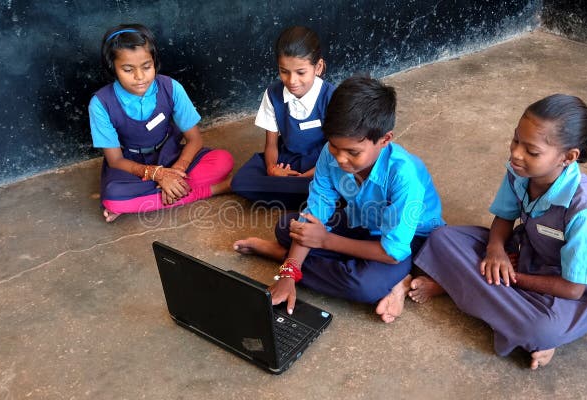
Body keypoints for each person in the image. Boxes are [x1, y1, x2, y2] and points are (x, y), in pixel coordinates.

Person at [410, 94, 587, 369]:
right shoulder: (518, 171)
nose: (516, 153)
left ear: (568, 158)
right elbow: (504, 218)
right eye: (515, 140)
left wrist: (514, 278)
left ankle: (457, 287)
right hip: (529, 251)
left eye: (531, 151)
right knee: (441, 239)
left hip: (574, 285)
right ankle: (492, 302)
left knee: (541, 329)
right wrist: (495, 251)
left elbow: (573, 288)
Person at [234, 76, 445, 323]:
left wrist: (324, 241)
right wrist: (288, 275)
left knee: (365, 287)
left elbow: (391, 252)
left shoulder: (404, 175)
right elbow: (313, 216)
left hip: (411, 240)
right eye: (335, 147)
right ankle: (300, 261)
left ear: (385, 139)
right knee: (287, 227)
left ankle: (280, 254)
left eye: (353, 152)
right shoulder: (329, 154)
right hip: (362, 220)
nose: (341, 159)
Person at [89, 24, 233, 222]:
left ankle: (142, 200)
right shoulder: (101, 103)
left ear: (154, 62)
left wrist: (176, 172)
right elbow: (115, 160)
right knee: (113, 198)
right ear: (112, 67)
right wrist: (158, 175)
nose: (140, 77)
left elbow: (194, 139)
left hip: (170, 154)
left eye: (147, 67)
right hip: (131, 164)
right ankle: (216, 189)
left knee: (223, 160)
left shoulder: (171, 88)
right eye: (128, 69)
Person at [230, 26, 335, 210]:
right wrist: (272, 168)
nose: (292, 80)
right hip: (288, 158)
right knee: (240, 182)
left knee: (342, 175)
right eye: (284, 71)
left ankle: (304, 190)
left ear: (318, 67)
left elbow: (337, 149)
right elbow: (271, 144)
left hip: (322, 161)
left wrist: (311, 174)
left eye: (300, 72)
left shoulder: (331, 97)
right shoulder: (273, 94)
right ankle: (313, 196)